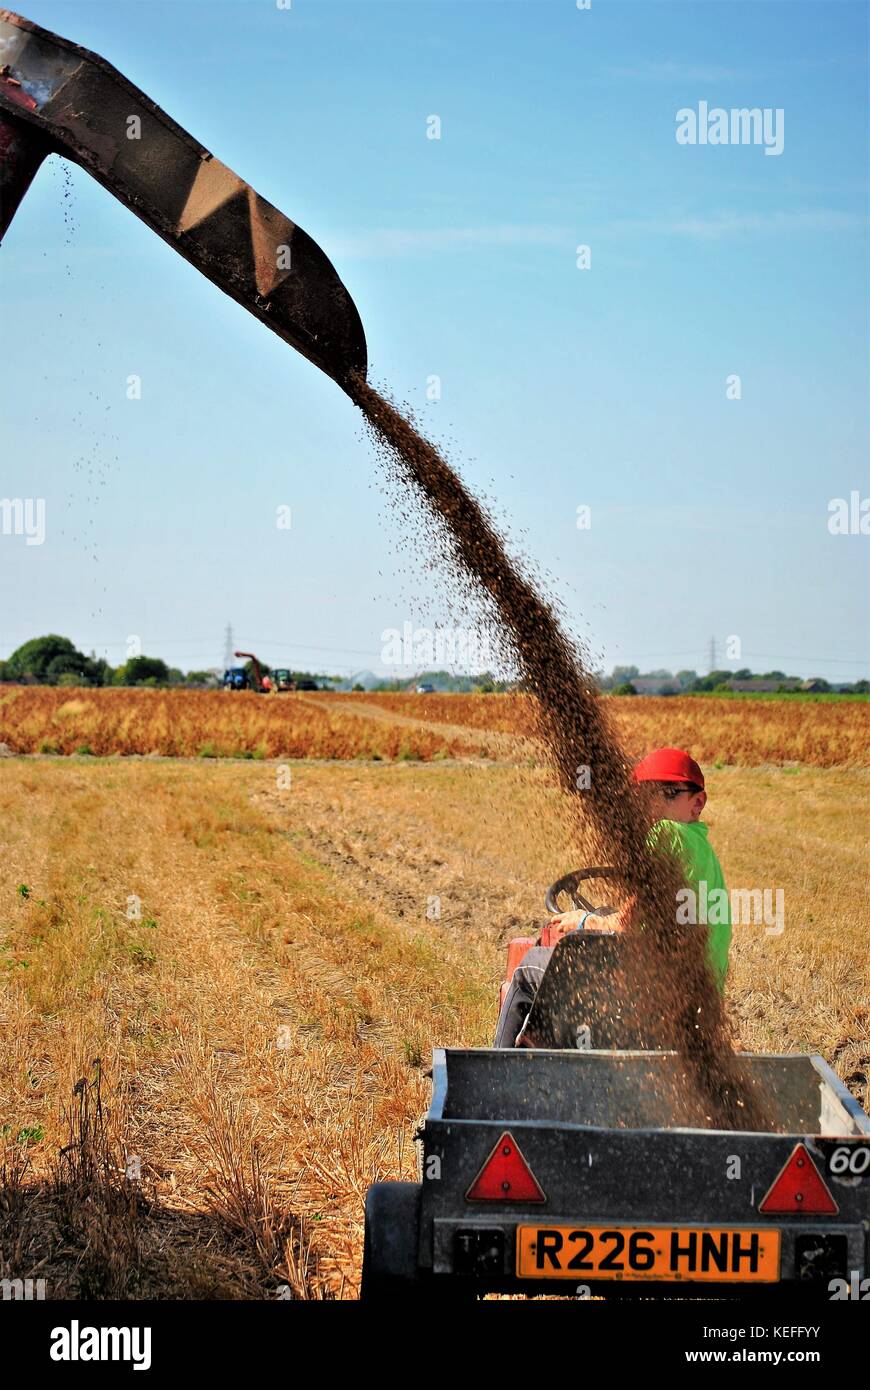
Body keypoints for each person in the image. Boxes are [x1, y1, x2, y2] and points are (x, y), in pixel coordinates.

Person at [493, 746, 730, 1048]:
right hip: (696, 1011)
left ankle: (502, 1061)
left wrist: (585, 920)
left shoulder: (667, 833)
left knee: (530, 966)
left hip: (648, 1000)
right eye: (643, 796)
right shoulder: (707, 858)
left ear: (698, 803)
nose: (652, 806)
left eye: (667, 794)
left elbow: (624, 924)